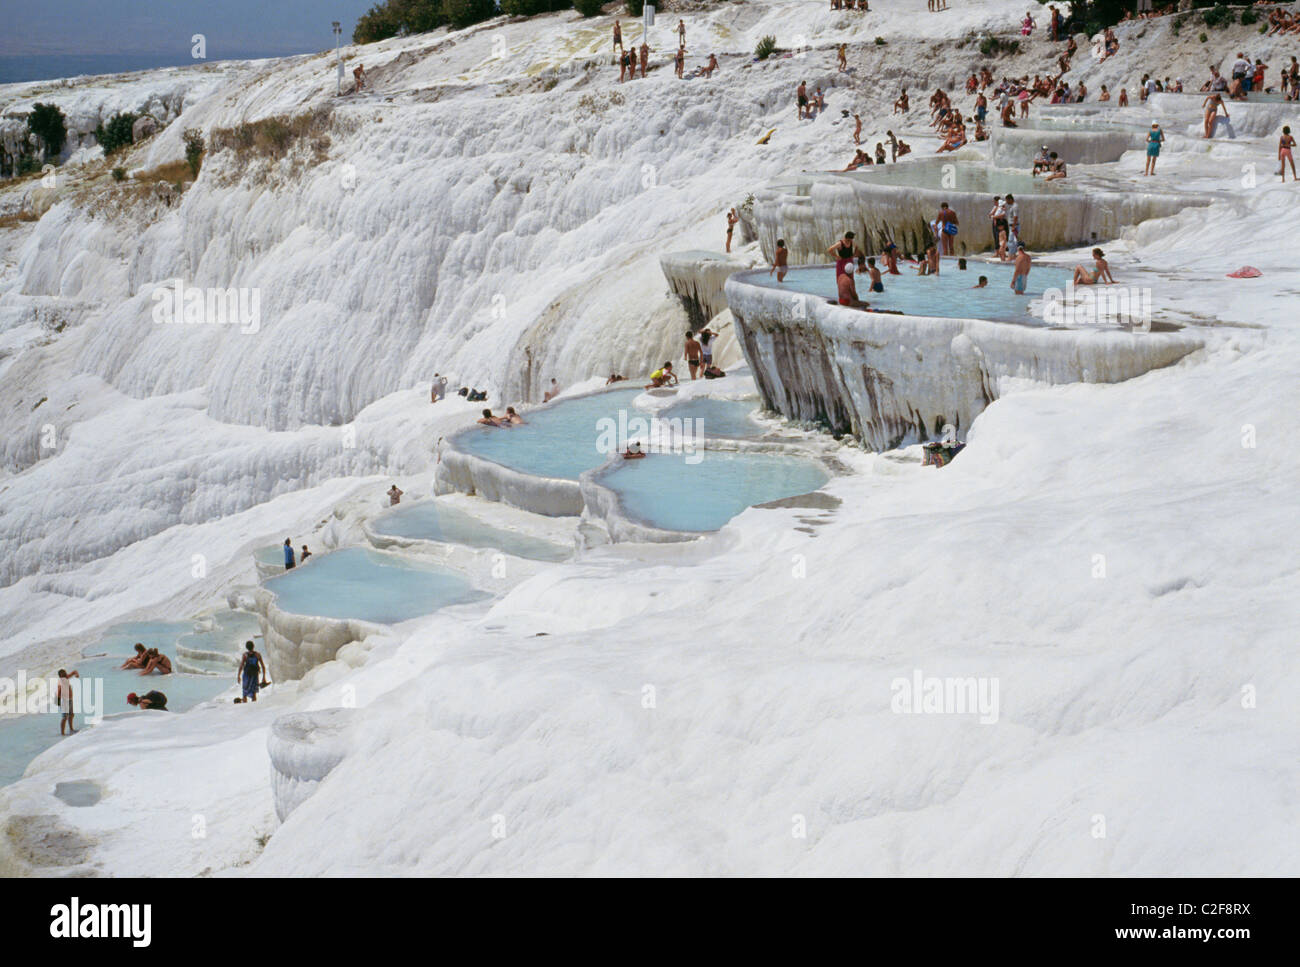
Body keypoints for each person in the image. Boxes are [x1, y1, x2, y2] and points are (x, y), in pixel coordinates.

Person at [57, 669, 79, 735]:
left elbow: (74, 671)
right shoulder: (61, 682)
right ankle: (62, 733)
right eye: (63, 674)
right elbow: (58, 693)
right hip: (64, 701)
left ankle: (71, 729)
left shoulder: (66, 677)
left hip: (70, 700)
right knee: (64, 717)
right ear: (60, 676)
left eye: (65, 673)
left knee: (71, 715)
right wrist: (58, 702)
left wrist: (77, 674)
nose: (66, 675)